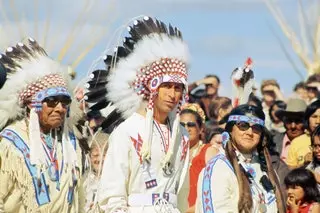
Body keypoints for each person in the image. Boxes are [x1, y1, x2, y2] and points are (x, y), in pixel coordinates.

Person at [91, 17, 190, 213]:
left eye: (178, 88)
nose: (172, 94)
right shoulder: (126, 131)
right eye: (166, 86)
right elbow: (112, 194)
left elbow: (182, 191)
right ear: (152, 88)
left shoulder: (182, 134)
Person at [0, 38, 84, 212]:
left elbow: (79, 200)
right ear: (32, 104)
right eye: (51, 101)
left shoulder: (70, 144)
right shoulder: (9, 144)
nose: (60, 108)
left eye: (65, 101)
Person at [196, 104, 285, 213]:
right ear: (230, 130)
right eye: (243, 125)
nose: (249, 132)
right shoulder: (218, 168)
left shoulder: (267, 169)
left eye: (256, 128)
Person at [179, 103, 219, 213]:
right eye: (181, 125)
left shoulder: (209, 151)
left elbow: (216, 190)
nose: (186, 128)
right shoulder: (172, 154)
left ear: (201, 129)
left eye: (191, 125)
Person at [287, 99, 320, 168]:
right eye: (314, 117)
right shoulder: (297, 142)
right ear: (307, 119)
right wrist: (303, 164)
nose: (318, 121)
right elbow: (289, 171)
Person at [273, 98, 307, 162]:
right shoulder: (273, 141)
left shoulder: (313, 143)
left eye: (298, 121)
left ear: (306, 122)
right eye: (289, 121)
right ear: (283, 122)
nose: (293, 126)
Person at [83, 130, 109, 212]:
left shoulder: (115, 179)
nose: (99, 159)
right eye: (95, 155)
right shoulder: (84, 181)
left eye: (103, 155)